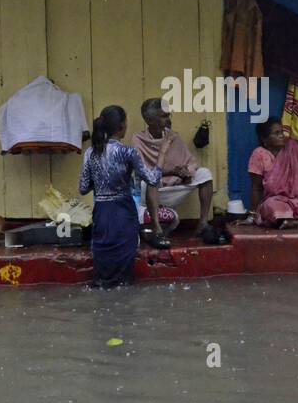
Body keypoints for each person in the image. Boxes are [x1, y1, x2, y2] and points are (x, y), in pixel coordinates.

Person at [79, 104, 164, 288]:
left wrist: (102, 180)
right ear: (122, 127)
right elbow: (153, 179)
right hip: (123, 214)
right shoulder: (128, 152)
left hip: (101, 215)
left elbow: (83, 188)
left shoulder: (90, 153)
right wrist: (163, 152)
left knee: (104, 275)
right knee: (124, 278)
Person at [132, 98, 216, 242]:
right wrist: (172, 171)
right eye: (164, 116)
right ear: (149, 120)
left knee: (205, 173)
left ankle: (203, 223)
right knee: (148, 182)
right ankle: (157, 229)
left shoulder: (173, 136)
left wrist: (186, 171)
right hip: (154, 192)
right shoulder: (138, 139)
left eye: (168, 115)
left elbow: (191, 162)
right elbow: (143, 173)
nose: (168, 120)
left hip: (176, 185)